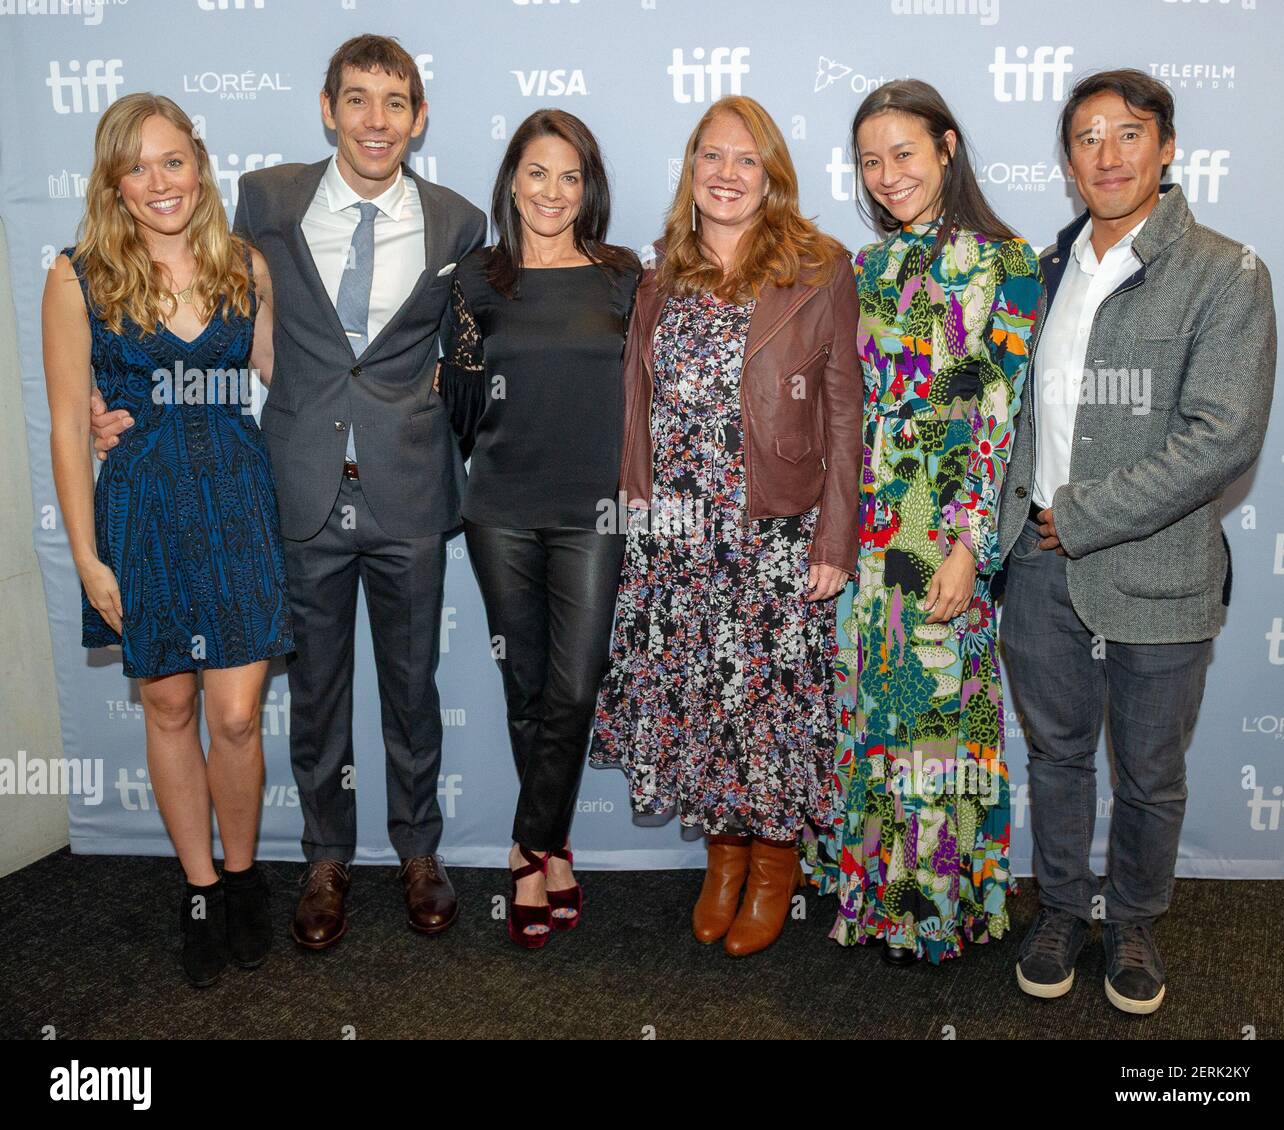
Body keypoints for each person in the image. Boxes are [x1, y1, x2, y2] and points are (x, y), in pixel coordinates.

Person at [93, 35, 486, 950]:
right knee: (314, 695)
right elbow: (194, 305)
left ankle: (420, 853)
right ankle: (324, 857)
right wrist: (93, 405)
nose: (376, 121)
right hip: (295, 486)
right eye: (357, 100)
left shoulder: (460, 222)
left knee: (414, 687)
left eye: (395, 103)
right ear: (327, 107)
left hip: (411, 492)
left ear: (419, 118)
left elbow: (482, 338)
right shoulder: (265, 200)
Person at [999, 69, 1276, 1014]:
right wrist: (1013, 537)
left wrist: (1076, 516)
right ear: (1068, 160)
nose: (1107, 155)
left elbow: (1221, 439)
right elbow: (1016, 419)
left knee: (1151, 772)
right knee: (1057, 755)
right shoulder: (1043, 269)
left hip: (1158, 566)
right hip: (1038, 566)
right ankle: (1062, 910)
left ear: (1166, 147)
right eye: (1086, 138)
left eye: (1128, 134)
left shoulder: (1225, 271)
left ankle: (1135, 924)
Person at [589, 95, 860, 958]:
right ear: (691, 169)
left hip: (775, 530)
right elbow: (636, 392)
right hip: (678, 535)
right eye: (713, 156)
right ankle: (722, 860)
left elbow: (848, 412)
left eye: (747, 159)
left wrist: (835, 538)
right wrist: (637, 501)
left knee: (773, 708)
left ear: (772, 173)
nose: (728, 174)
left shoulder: (821, 267)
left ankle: (775, 866)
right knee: (702, 701)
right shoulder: (661, 270)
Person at [45, 93, 293, 987]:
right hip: (142, 510)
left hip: (237, 500)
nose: (159, 181)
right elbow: (69, 428)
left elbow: (292, 379)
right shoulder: (77, 277)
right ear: (115, 181)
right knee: (169, 709)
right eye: (138, 166)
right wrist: (84, 555)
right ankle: (197, 889)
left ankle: (244, 874)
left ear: (199, 164)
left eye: (173, 160)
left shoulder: (246, 268)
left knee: (234, 714)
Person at [806, 79, 1043, 967]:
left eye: (903, 153)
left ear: (947, 147)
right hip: (866, 541)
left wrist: (967, 545)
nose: (886, 174)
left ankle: (942, 907)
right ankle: (872, 899)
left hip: (941, 536)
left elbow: (1000, 418)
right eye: (870, 159)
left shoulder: (1006, 266)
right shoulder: (863, 270)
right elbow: (843, 415)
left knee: (938, 731)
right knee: (873, 720)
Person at [436, 111, 639, 948]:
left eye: (570, 177)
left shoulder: (625, 277)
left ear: (588, 187)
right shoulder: (477, 278)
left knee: (575, 684)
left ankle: (527, 845)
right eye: (536, 174)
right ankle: (549, 855)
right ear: (511, 181)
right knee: (525, 686)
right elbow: (454, 400)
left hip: (597, 511)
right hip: (502, 513)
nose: (552, 192)